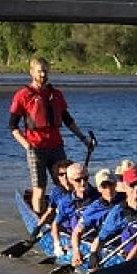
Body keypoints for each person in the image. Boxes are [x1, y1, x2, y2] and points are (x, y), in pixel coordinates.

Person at [10, 56, 91, 214]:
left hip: (56, 147)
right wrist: (27, 145)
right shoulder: (22, 95)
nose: (43, 75)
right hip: (36, 148)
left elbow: (67, 120)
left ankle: (69, 215)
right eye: (40, 71)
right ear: (31, 72)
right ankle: (39, 218)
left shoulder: (56, 94)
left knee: (67, 184)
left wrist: (83, 139)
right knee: (40, 188)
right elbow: (13, 126)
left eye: (45, 71)